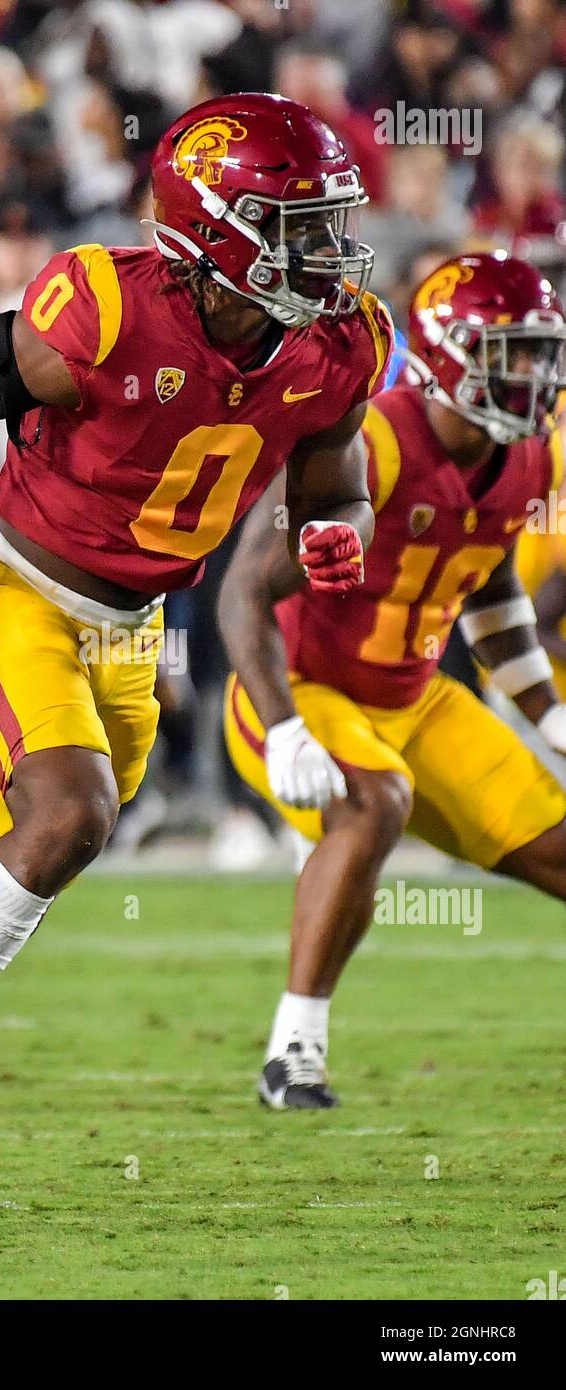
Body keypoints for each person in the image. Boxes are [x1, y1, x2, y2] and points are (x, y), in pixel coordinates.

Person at [0, 92, 393, 1195]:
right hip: (11, 581)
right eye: (293, 227)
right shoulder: (100, 309)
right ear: (209, 229)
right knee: (70, 816)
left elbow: (332, 485)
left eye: (326, 222)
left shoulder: (337, 342)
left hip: (131, 630)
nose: (325, 253)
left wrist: (336, 536)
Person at [220, 251, 566, 1110]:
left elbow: (488, 586)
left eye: (541, 352)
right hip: (306, 690)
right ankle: (292, 1052)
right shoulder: (366, 438)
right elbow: (242, 592)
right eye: (512, 353)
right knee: (377, 804)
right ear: (450, 355)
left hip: (415, 696)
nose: (534, 374)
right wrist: (286, 724)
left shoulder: (528, 461)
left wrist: (551, 716)